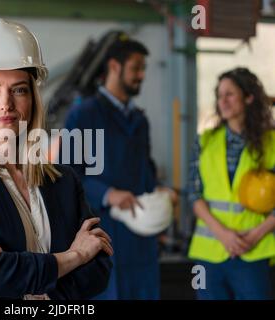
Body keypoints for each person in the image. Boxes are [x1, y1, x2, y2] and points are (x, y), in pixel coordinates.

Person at [0, 19, 112, 300]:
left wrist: (16, 269)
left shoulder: (62, 181)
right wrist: (75, 255)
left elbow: (98, 271)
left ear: (32, 101)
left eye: (19, 89)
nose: (6, 103)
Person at [64, 33, 176, 300]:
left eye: (143, 69)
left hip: (141, 236)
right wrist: (107, 194)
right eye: (136, 68)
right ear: (114, 66)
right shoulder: (83, 114)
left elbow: (145, 171)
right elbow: (66, 173)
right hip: (103, 235)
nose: (141, 76)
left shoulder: (139, 120)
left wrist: (161, 191)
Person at [188, 67, 275, 300]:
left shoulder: (272, 143)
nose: (222, 101)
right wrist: (224, 234)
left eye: (230, 94)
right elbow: (194, 195)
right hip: (208, 253)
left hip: (253, 251)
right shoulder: (204, 141)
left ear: (248, 98)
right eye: (219, 95)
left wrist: (255, 236)